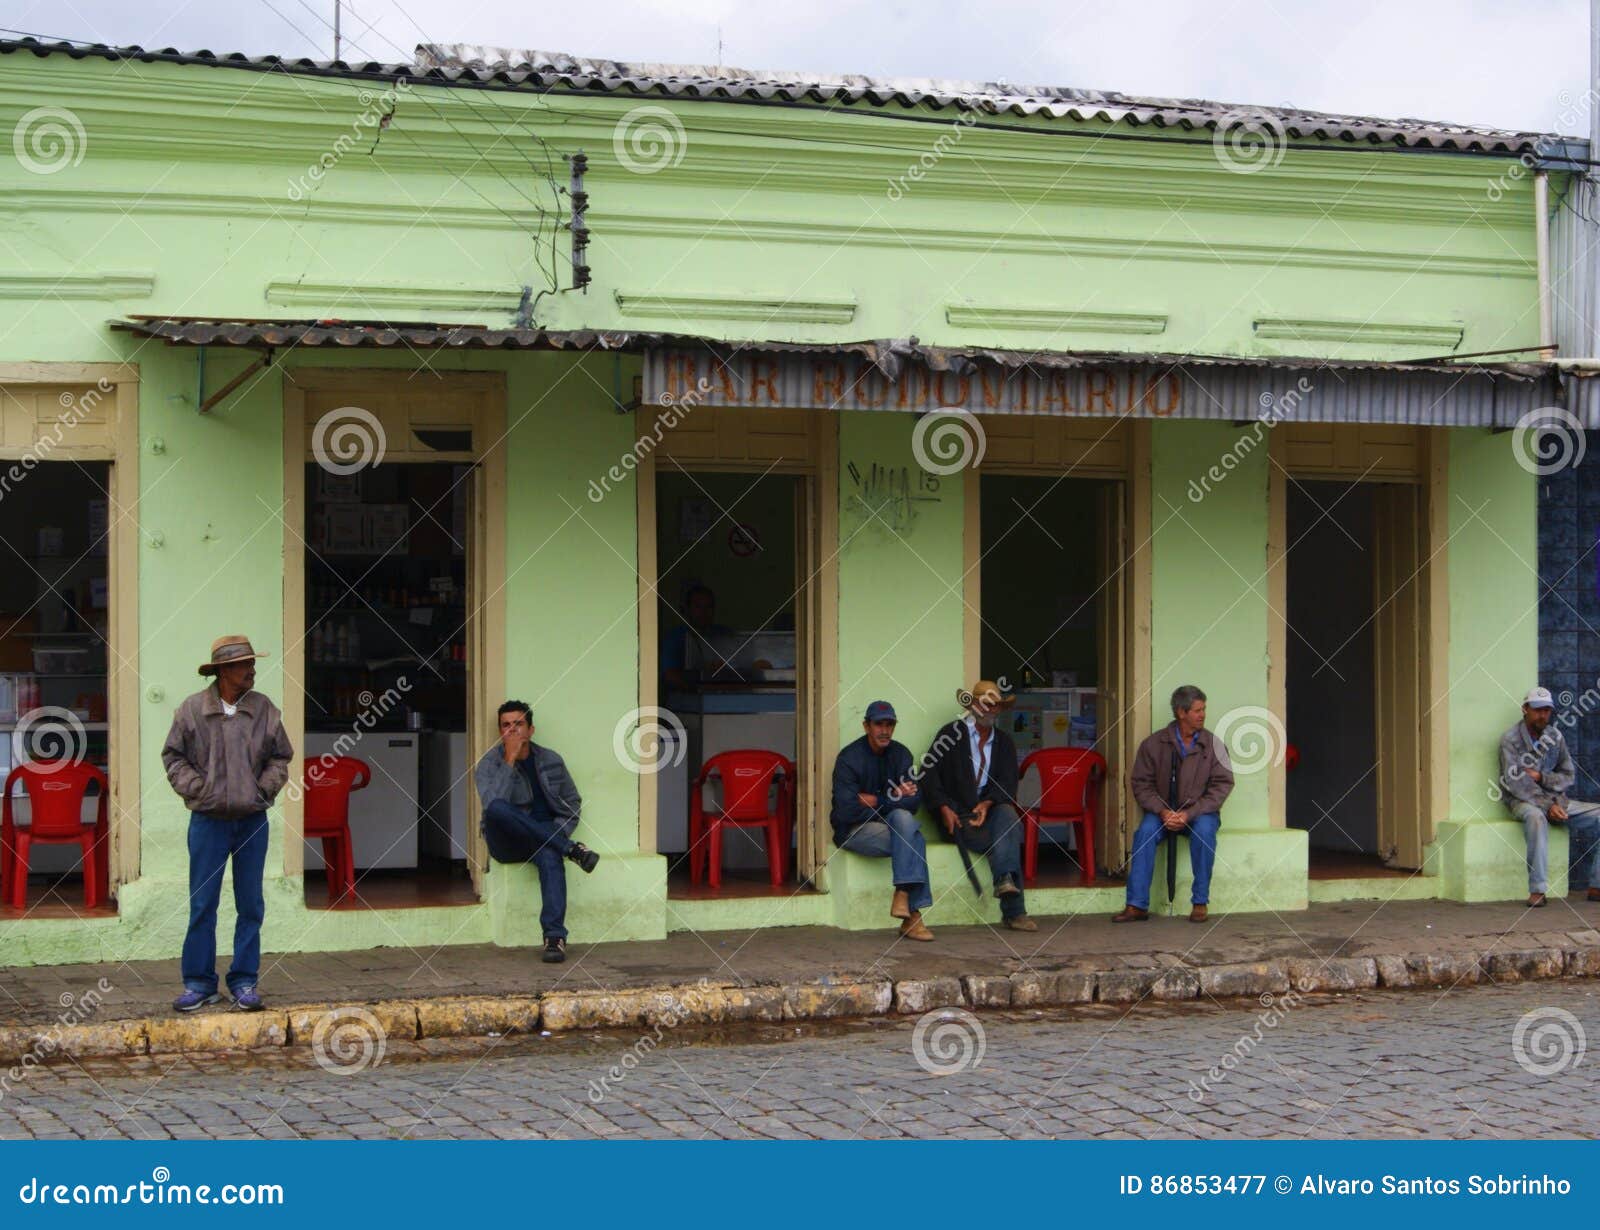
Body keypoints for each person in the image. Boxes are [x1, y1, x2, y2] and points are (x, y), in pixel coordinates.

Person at [162, 635, 293, 1014]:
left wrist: (262, 791)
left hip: (252, 820)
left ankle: (244, 980)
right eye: (243, 665)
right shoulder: (192, 711)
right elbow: (173, 757)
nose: (252, 670)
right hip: (207, 822)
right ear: (222, 671)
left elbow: (281, 757)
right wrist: (198, 791)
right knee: (203, 903)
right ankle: (199, 983)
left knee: (250, 903)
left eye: (252, 663)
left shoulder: (264, 710)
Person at [474, 700, 600, 963]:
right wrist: (509, 760)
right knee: (498, 806)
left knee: (550, 855)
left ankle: (554, 938)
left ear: (531, 730)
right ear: (500, 732)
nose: (512, 731)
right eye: (506, 726)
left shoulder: (551, 760)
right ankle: (570, 849)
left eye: (518, 724)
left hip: (545, 837)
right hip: (507, 841)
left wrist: (558, 832)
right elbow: (492, 807)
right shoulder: (489, 764)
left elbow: (572, 802)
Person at [1113, 684, 1234, 924]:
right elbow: (1141, 783)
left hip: (1200, 812)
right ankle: (1136, 905)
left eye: (1204, 709)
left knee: (1205, 832)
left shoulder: (1214, 744)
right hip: (1163, 811)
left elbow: (1222, 785)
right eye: (1198, 710)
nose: (1203, 715)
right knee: (1145, 833)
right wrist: (1162, 810)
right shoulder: (1153, 744)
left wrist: (1191, 813)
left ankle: (1200, 902)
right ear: (1181, 712)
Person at [921, 680, 1036, 932]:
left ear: (999, 709)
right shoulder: (951, 734)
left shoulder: (1004, 742)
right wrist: (943, 808)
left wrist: (987, 803)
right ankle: (1014, 911)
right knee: (1006, 839)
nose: (989, 710)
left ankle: (1005, 883)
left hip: (990, 810)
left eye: (994, 705)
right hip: (957, 813)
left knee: (1007, 816)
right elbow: (927, 774)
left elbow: (1007, 783)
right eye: (984, 704)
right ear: (972, 705)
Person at [831, 701, 933, 941]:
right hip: (854, 831)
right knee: (913, 837)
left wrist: (872, 801)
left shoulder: (901, 754)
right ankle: (912, 915)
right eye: (879, 724)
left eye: (890, 724)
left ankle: (904, 894)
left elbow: (914, 802)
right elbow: (846, 811)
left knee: (904, 818)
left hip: (892, 826)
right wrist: (891, 797)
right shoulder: (849, 758)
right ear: (866, 726)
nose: (884, 730)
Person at [1499, 686, 1600, 908]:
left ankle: (1597, 884)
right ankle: (1537, 890)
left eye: (1547, 710)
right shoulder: (1510, 740)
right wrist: (1547, 805)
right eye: (1537, 710)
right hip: (1521, 802)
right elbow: (1517, 783)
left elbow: (1568, 775)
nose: (1542, 715)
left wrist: (1542, 777)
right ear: (1525, 709)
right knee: (1536, 818)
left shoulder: (1555, 736)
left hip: (1557, 802)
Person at [661, 584, 733, 690]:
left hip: (720, 698)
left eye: (709, 606)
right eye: (698, 606)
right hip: (683, 701)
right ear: (688, 609)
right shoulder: (675, 637)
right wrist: (696, 689)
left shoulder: (723, 634)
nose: (704, 612)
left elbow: (736, 668)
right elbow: (669, 674)